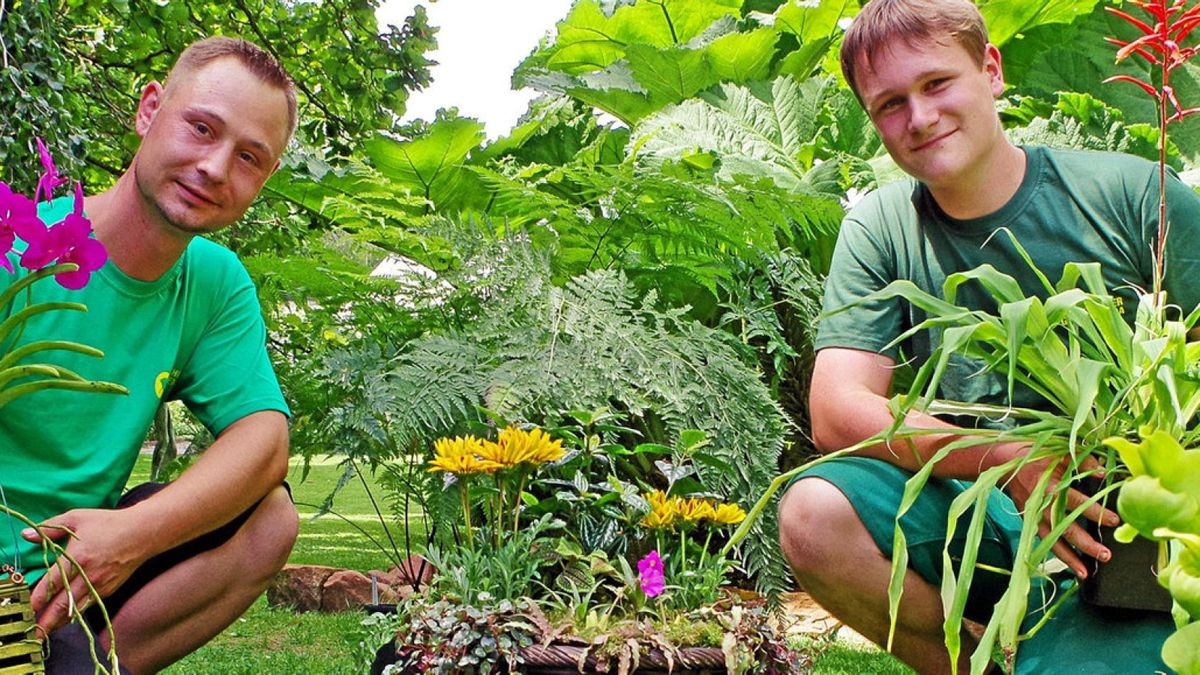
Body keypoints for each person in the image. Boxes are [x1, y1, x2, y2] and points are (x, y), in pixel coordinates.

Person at [776, 0, 1200, 673]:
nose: (919, 118)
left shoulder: (1134, 196)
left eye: (937, 83)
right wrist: (1009, 457)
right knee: (815, 512)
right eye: (889, 104)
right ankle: (979, 663)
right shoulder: (883, 225)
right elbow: (836, 409)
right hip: (987, 515)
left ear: (991, 70)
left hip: (1128, 532)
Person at [0, 37, 299, 673]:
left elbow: (265, 436)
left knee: (270, 519)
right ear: (149, 110)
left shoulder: (212, 282)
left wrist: (136, 535)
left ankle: (91, 664)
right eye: (201, 127)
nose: (216, 167)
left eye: (249, 157)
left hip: (80, 574)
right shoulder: (15, 249)